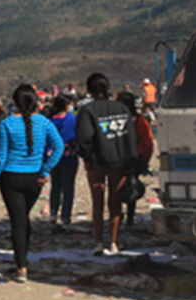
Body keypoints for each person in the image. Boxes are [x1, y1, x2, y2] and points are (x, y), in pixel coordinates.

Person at [0, 85, 63, 282]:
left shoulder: (7, 124)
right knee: (23, 219)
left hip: (10, 178)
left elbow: (0, 156)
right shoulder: (44, 122)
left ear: (15, 103)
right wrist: (46, 170)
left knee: (17, 221)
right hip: (34, 179)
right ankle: (23, 259)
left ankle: (21, 266)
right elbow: (59, 146)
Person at [76, 72, 137, 255]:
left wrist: (86, 157)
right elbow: (130, 136)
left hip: (96, 162)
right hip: (119, 161)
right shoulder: (122, 108)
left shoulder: (88, 110)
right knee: (115, 202)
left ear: (89, 90)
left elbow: (84, 137)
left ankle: (99, 243)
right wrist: (131, 159)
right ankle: (114, 242)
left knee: (98, 204)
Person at [116, 91, 154, 230]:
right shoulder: (140, 120)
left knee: (116, 188)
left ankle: (117, 216)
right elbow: (148, 142)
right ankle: (130, 221)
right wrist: (145, 160)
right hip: (135, 158)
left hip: (116, 158)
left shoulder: (114, 121)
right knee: (132, 188)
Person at [46, 94, 80, 225]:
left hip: (52, 158)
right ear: (67, 106)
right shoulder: (73, 120)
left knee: (55, 186)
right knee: (68, 188)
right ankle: (66, 216)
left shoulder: (49, 121)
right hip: (69, 157)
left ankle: (53, 213)